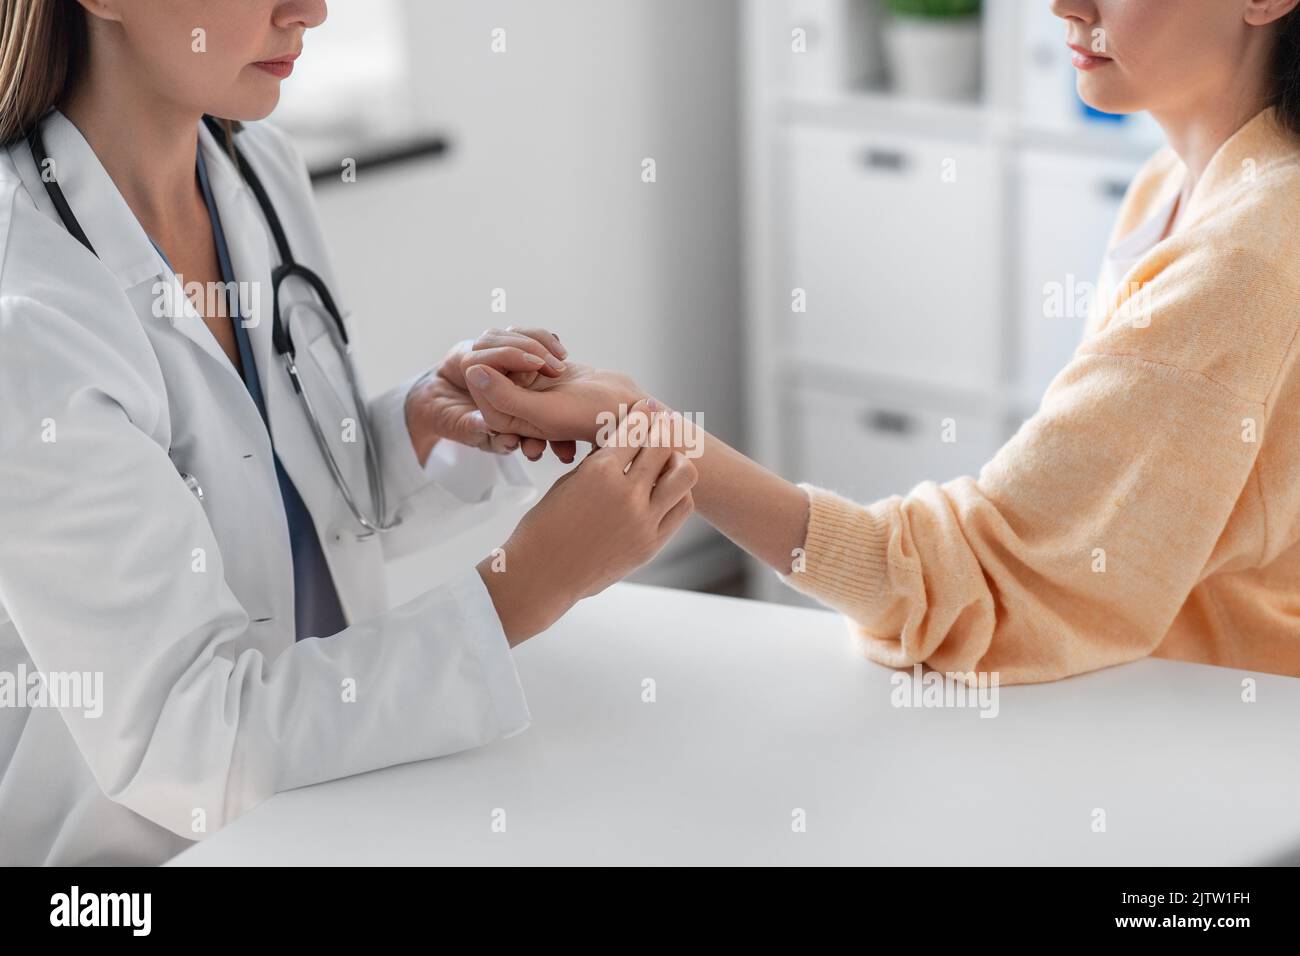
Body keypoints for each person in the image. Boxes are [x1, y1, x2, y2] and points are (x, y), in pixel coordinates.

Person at [0, 0, 695, 865]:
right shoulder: (29, 312)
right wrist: (528, 588)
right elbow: (188, 751)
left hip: (326, 811)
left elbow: (275, 506)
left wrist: (421, 434)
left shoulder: (254, 172)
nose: (313, 10)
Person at [463, 0, 1300, 683]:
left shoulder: (1245, 258)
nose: (1065, 5)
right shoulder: (1179, 187)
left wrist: (650, 429)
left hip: (1220, 741)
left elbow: (975, 587)